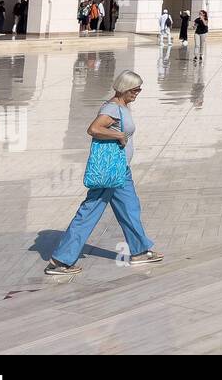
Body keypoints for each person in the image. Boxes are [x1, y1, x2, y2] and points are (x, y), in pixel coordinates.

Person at [44, 70, 164, 275]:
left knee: (130, 208)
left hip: (121, 171)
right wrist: (118, 135)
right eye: (135, 89)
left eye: (139, 89)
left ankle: (139, 251)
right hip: (109, 172)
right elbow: (94, 129)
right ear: (124, 89)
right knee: (89, 212)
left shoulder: (122, 106)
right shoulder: (112, 108)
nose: (138, 93)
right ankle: (60, 260)